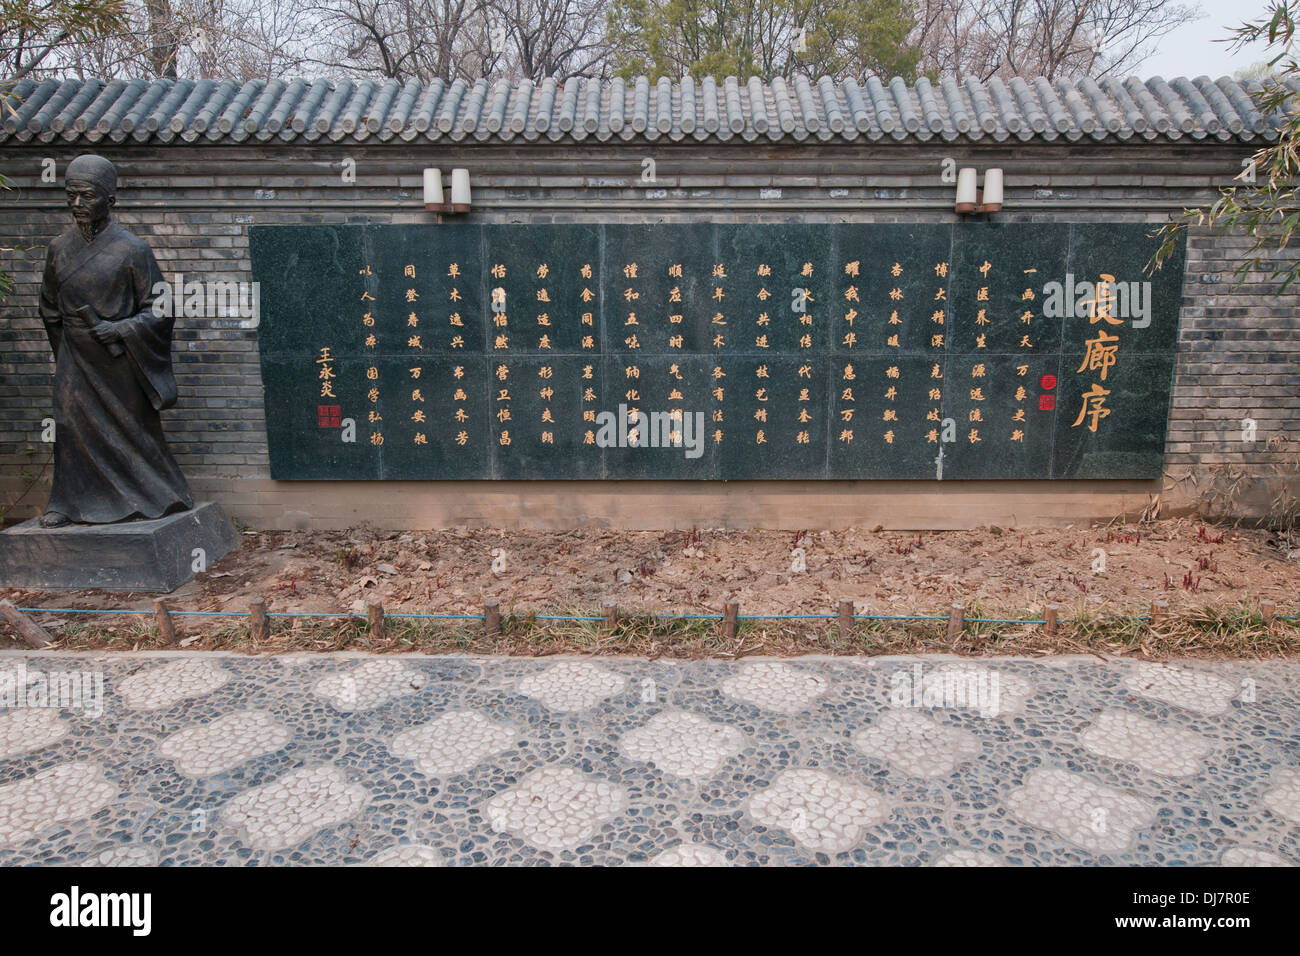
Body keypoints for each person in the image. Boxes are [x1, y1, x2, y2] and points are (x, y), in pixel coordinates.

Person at [36, 153, 194, 527]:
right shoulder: (58, 249)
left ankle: (152, 497)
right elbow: (49, 307)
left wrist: (121, 329)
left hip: (120, 360)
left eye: (87, 196)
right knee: (70, 425)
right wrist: (65, 353)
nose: (77, 205)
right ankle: (69, 503)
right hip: (75, 357)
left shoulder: (132, 250)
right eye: (70, 195)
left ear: (110, 199)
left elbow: (160, 308)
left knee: (130, 430)